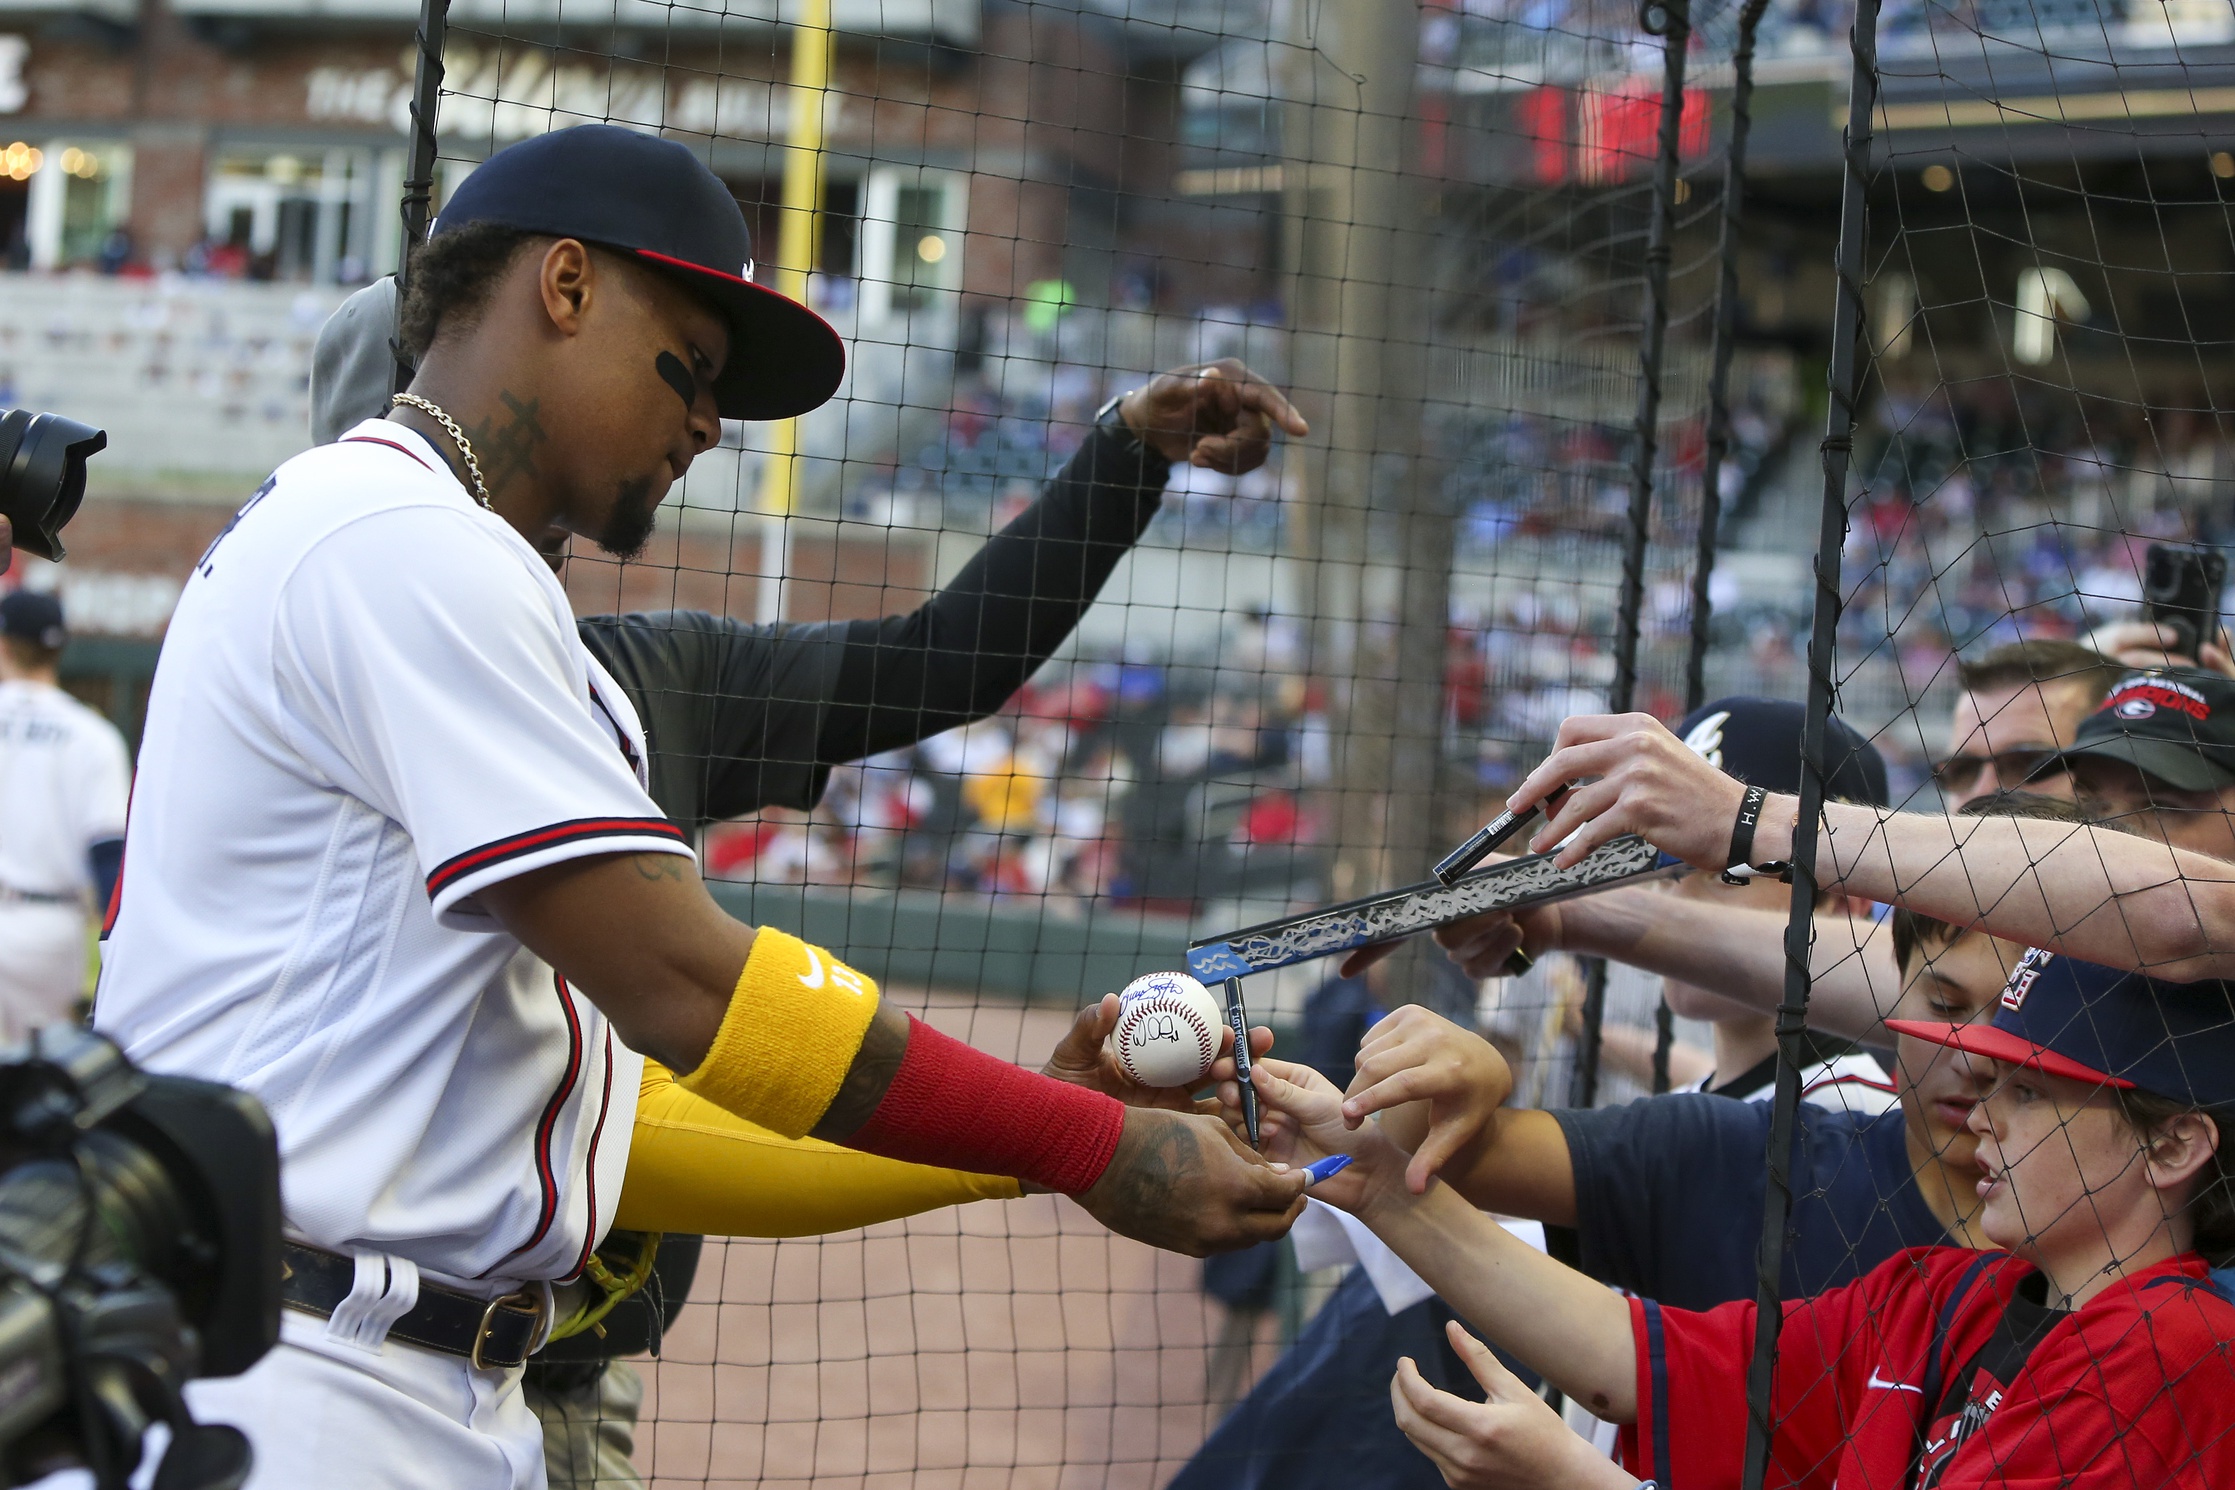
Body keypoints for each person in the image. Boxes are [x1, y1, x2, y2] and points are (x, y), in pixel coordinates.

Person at [92, 124, 1311, 1490]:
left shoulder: (445, 577)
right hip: (301, 1376)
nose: (709, 423)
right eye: (693, 362)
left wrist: (1037, 1130)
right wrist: (1081, 1140)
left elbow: (651, 1122)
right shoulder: (396, 540)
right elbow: (689, 986)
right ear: (564, 287)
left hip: (389, 1364)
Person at [1168, 794, 2061, 1490]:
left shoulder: (2120, 1295)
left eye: (1724, 871)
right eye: (1942, 1005)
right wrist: (1460, 1084)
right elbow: (1635, 1357)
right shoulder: (1775, 1168)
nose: (1976, 1059)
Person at [1253, 949, 2235, 1489]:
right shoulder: (1952, 1292)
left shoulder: (2174, 1347)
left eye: (2036, 1091)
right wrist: (1379, 1183)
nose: (1984, 1105)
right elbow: (1640, 1358)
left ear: (2175, 1145)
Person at [1370, 639, 2121, 1051]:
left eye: (1719, 863)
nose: (1980, 794)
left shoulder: (1848, 1093)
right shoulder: (1896, 976)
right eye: (1960, 768)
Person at [0, 589, 128, 1042]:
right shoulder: (93, 736)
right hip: (48, 931)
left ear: (4, 643)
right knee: (36, 1089)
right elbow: (109, 856)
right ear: (59, 649)